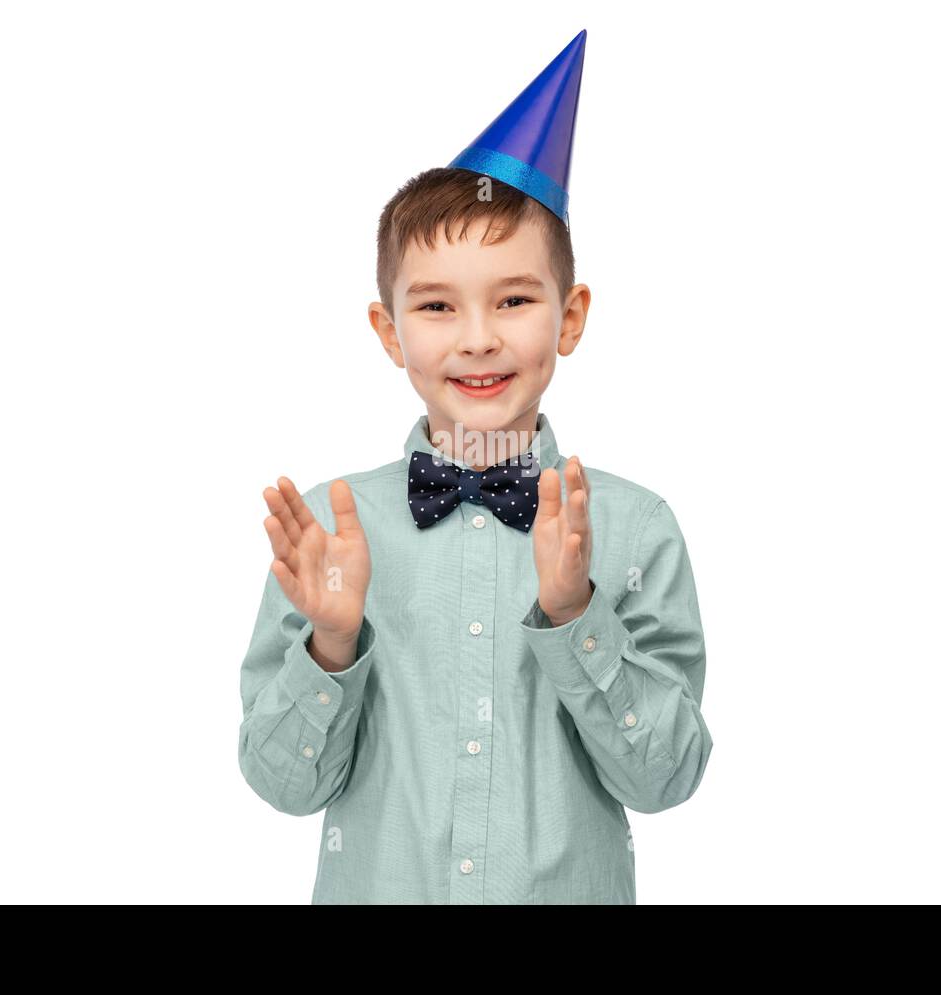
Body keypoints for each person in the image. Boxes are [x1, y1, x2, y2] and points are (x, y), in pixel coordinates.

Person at [237, 29, 714, 904]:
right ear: (390, 332)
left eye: (515, 299)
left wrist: (576, 613)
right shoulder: (330, 533)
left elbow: (668, 778)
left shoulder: (638, 529)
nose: (479, 336)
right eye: (436, 305)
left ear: (569, 319)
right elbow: (282, 787)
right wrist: (333, 643)